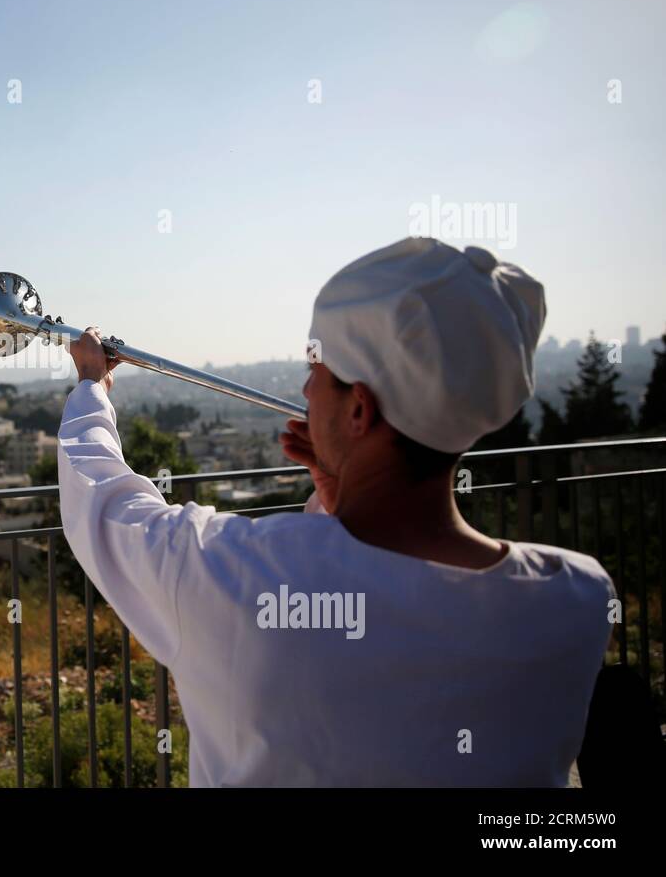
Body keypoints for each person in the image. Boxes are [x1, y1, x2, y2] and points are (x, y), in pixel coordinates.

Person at [57, 237, 615, 786]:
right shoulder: (577, 599)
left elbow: (105, 505)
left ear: (359, 409)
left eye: (315, 372)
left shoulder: (233, 576)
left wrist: (91, 390)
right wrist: (340, 499)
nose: (305, 389)